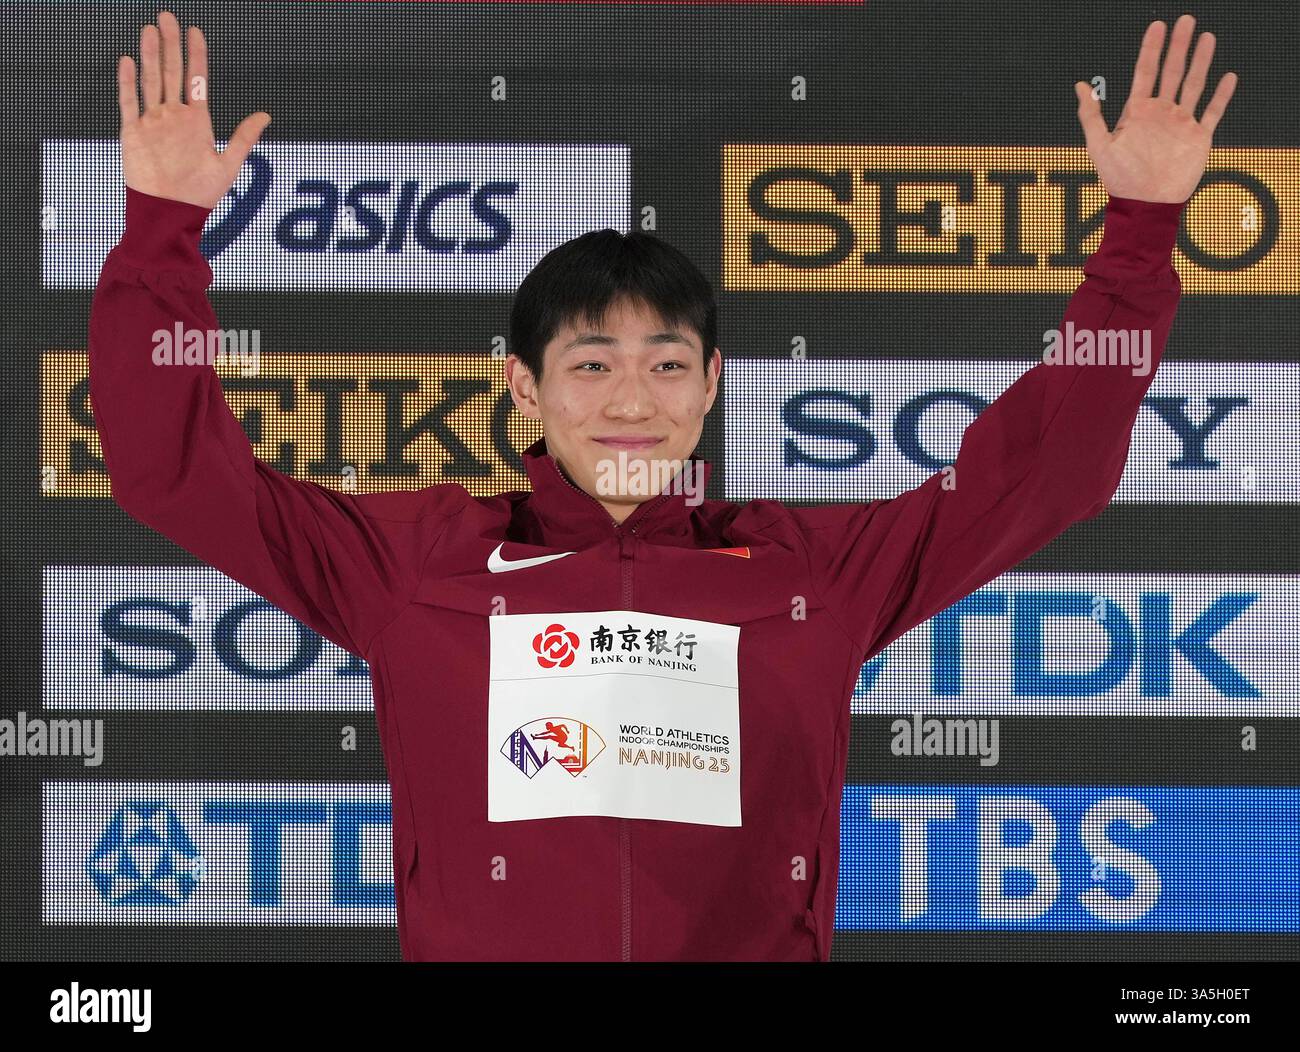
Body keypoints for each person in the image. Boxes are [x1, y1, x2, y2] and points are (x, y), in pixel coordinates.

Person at [89, 11, 1235, 960]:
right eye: (590, 364)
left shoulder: (811, 571)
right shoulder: (417, 562)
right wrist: (161, 230)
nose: (630, 399)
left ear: (710, 385)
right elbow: (169, 469)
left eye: (665, 364)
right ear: (523, 390)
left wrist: (1138, 232)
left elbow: (1052, 469)